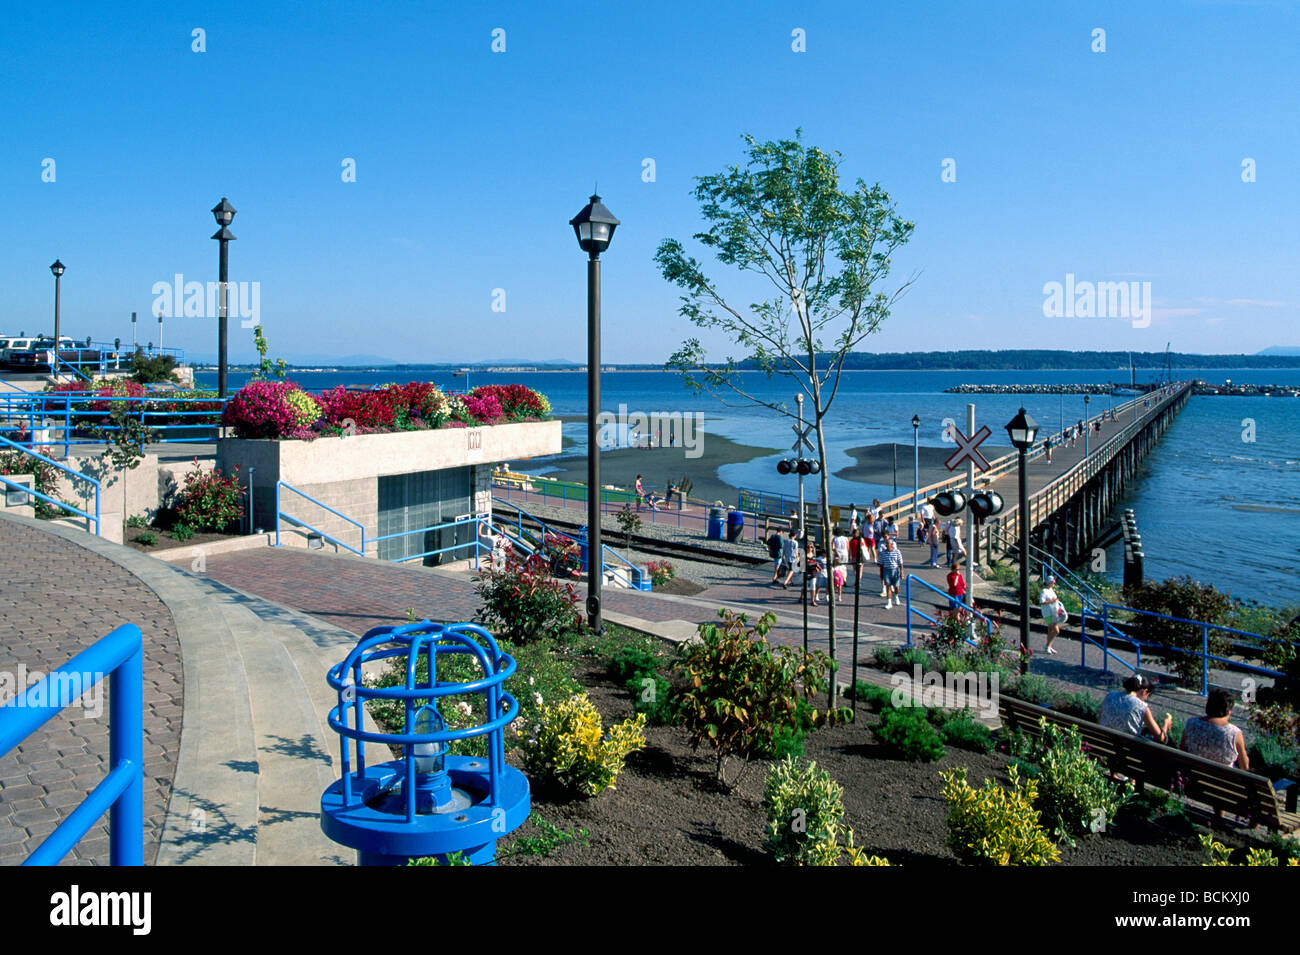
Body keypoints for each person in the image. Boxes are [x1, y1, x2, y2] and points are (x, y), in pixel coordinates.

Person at [1181, 690, 1250, 769]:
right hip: (1221, 780)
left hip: (1192, 776)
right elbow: (1245, 767)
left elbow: (1182, 751)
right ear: (1229, 711)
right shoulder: (1234, 734)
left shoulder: (1191, 723)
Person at [1100, 675, 1173, 744]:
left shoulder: (1110, 696)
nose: (1146, 699)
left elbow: (1099, 722)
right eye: (1148, 695)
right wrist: (1166, 723)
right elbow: (1161, 737)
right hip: (1125, 750)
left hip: (1102, 743)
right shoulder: (1141, 707)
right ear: (1144, 691)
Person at [878, 536, 904, 609]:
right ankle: (889, 602)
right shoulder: (883, 553)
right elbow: (881, 564)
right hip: (886, 570)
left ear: (891, 545)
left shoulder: (897, 552)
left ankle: (896, 596)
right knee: (888, 586)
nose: (887, 546)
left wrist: (901, 572)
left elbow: (901, 563)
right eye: (886, 544)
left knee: (896, 586)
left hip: (895, 570)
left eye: (888, 544)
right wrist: (881, 574)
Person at [1039, 575, 1062, 655]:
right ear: (1050, 583)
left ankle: (1049, 646)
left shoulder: (1051, 590)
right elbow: (1042, 602)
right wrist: (1052, 601)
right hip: (1047, 614)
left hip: (1053, 613)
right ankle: (1047, 646)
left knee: (1050, 630)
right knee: (1056, 631)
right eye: (1053, 582)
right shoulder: (1044, 591)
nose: (1054, 583)